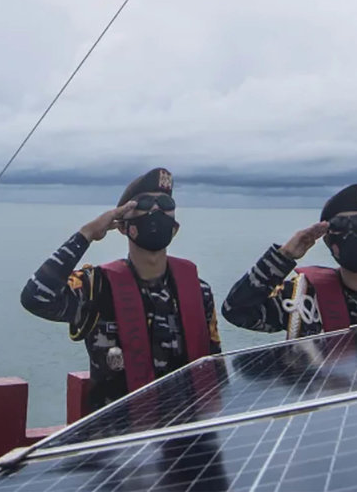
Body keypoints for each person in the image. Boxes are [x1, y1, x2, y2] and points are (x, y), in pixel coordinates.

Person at [20, 167, 222, 413]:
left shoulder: (199, 291)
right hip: (119, 441)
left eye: (165, 202)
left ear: (175, 228)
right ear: (124, 226)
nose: (156, 210)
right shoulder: (96, 287)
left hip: (188, 437)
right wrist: (87, 234)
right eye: (145, 202)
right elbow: (36, 297)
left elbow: (215, 365)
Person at [221, 183, 357, 339]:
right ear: (328, 241)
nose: (351, 234)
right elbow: (236, 311)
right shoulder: (300, 299)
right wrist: (283, 256)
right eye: (341, 226)